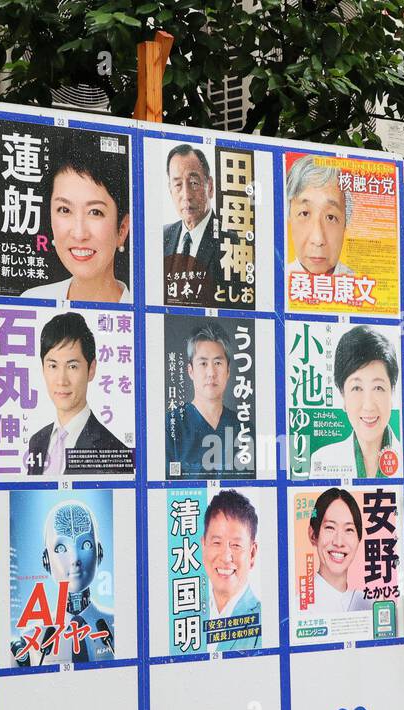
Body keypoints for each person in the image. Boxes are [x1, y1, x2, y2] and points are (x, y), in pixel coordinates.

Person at [22, 136, 131, 303]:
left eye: (95, 212)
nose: (79, 234)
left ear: (122, 229)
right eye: (64, 210)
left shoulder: (146, 315)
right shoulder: (32, 301)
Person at [25, 313, 132, 476]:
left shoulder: (114, 452)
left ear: (91, 369)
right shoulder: (37, 441)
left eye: (72, 366)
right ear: (43, 368)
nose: (61, 380)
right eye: (53, 366)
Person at [12, 499, 115, 664]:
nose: (74, 559)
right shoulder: (29, 641)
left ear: (99, 552)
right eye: (61, 548)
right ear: (46, 560)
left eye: (86, 544)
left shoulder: (119, 628)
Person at [309, 325, 399, 478]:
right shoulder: (322, 460)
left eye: (378, 388)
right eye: (357, 388)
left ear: (392, 392)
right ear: (343, 395)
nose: (369, 405)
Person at [166, 323, 247, 478]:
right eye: (203, 363)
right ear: (191, 371)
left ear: (228, 370)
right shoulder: (171, 425)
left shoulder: (244, 427)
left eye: (218, 363)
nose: (211, 373)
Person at [203, 489, 262, 651]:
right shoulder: (189, 616)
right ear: (204, 545)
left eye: (236, 545)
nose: (225, 557)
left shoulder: (263, 620)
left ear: (252, 553)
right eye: (216, 542)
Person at [162, 144, 221, 290]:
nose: (186, 195)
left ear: (211, 187)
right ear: (170, 190)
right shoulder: (162, 236)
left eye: (194, 183)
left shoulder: (231, 241)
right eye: (178, 185)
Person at [303, 488, 369, 615]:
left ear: (358, 539)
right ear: (313, 535)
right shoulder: (299, 607)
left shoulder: (369, 602)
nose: (339, 542)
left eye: (349, 529)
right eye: (330, 527)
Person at [286, 155, 354, 276]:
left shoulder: (363, 287)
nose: (318, 239)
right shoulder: (275, 282)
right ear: (289, 217)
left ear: (346, 223)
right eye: (305, 213)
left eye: (330, 217)